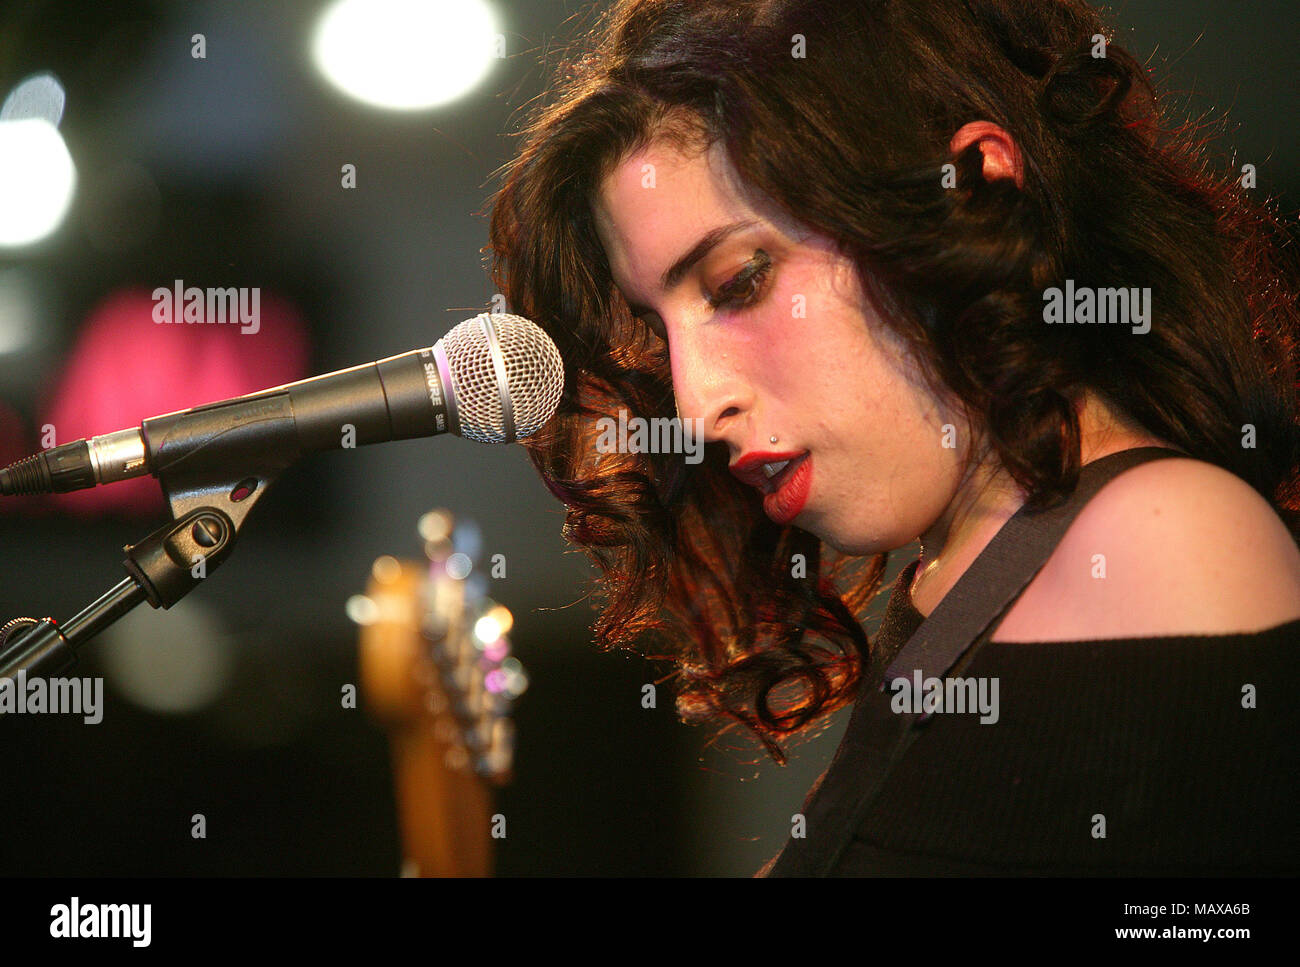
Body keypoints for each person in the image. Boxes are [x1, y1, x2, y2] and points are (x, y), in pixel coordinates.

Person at [487, 0, 1300, 874]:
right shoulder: (964, 573)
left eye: (739, 282)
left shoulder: (1155, 539)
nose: (696, 405)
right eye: (660, 329)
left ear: (978, 190)